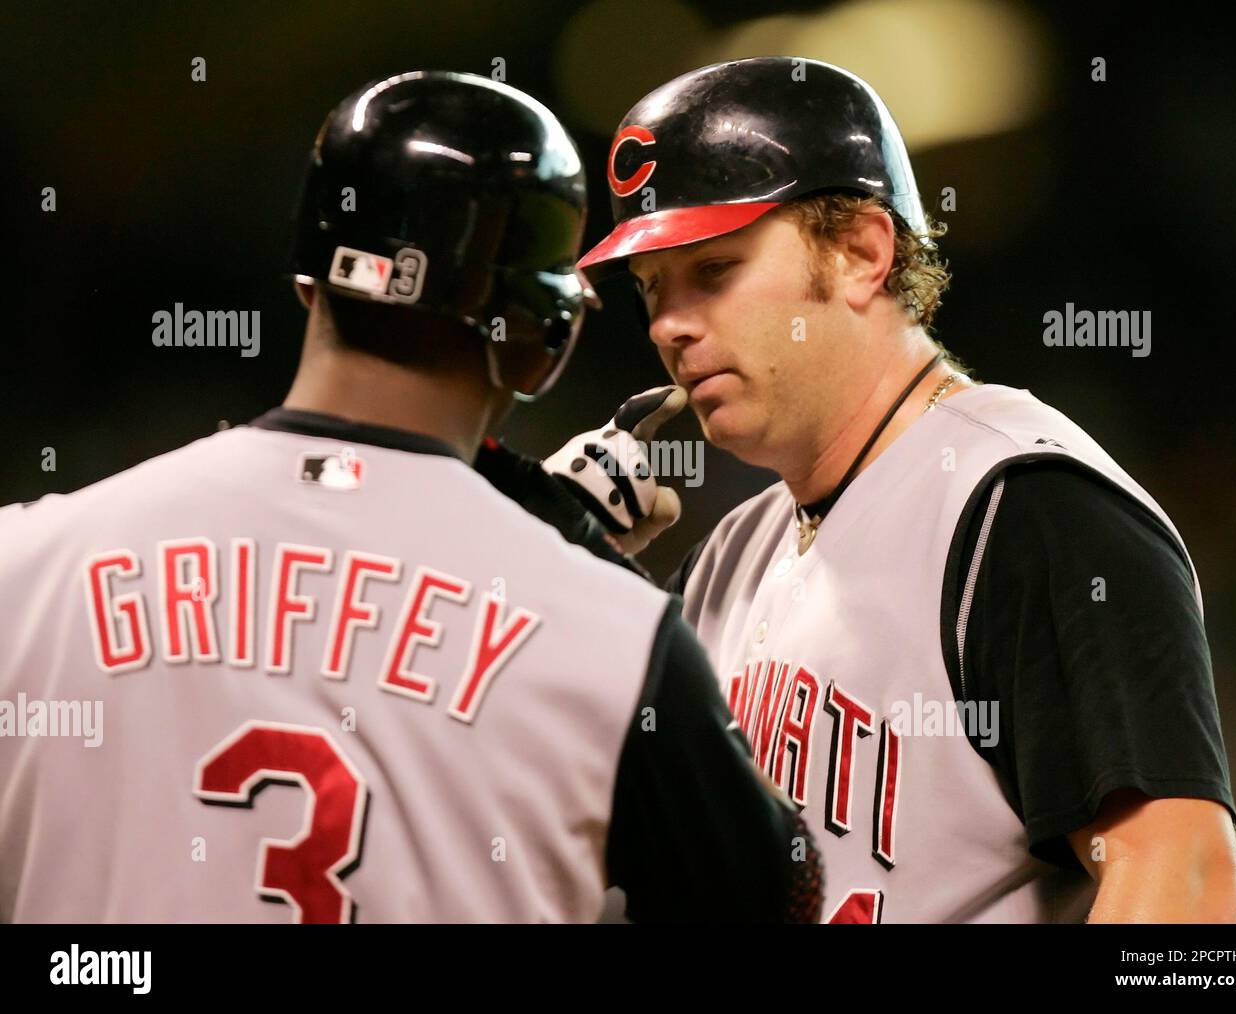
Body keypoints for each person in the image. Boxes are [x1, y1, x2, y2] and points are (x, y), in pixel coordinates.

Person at [0, 70, 822, 924]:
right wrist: (560, 545)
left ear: (308, 281)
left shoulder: (23, 562)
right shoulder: (611, 635)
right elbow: (782, 894)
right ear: (546, 337)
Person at [546, 56, 1236, 922]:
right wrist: (561, 586)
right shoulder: (728, 559)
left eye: (714, 270)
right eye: (653, 289)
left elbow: (1184, 878)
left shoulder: (1025, 502)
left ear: (860, 252)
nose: (668, 325)